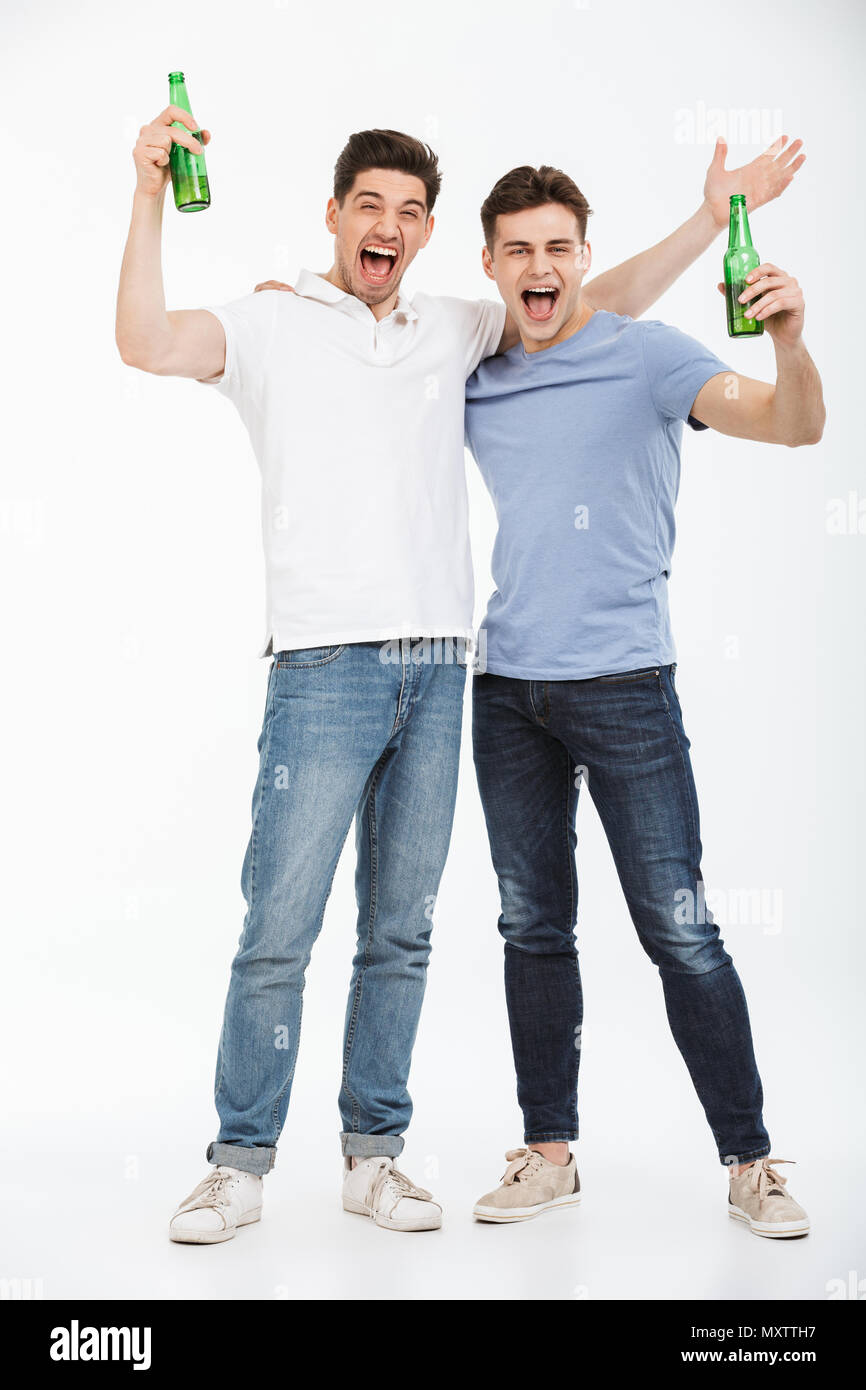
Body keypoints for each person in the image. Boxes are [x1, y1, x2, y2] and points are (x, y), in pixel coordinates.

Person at [116, 108, 804, 1240]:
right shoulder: (268, 324)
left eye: (408, 211)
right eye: (366, 206)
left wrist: (706, 216)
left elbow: (596, 304)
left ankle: (371, 1154)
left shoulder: (455, 325)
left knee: (403, 932)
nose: (386, 226)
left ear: (432, 233)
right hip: (321, 669)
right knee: (277, 927)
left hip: (444, 674)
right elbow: (144, 339)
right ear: (332, 217)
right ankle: (238, 1162)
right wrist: (149, 192)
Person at [464, 163, 823, 1236]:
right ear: (488, 265)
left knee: (680, 929)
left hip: (625, 684)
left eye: (558, 247)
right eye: (516, 249)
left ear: (582, 252)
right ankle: (547, 1149)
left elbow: (790, 426)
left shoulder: (649, 354)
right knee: (532, 928)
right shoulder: (475, 365)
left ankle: (750, 1159)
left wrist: (789, 340)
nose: (540, 267)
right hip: (505, 691)